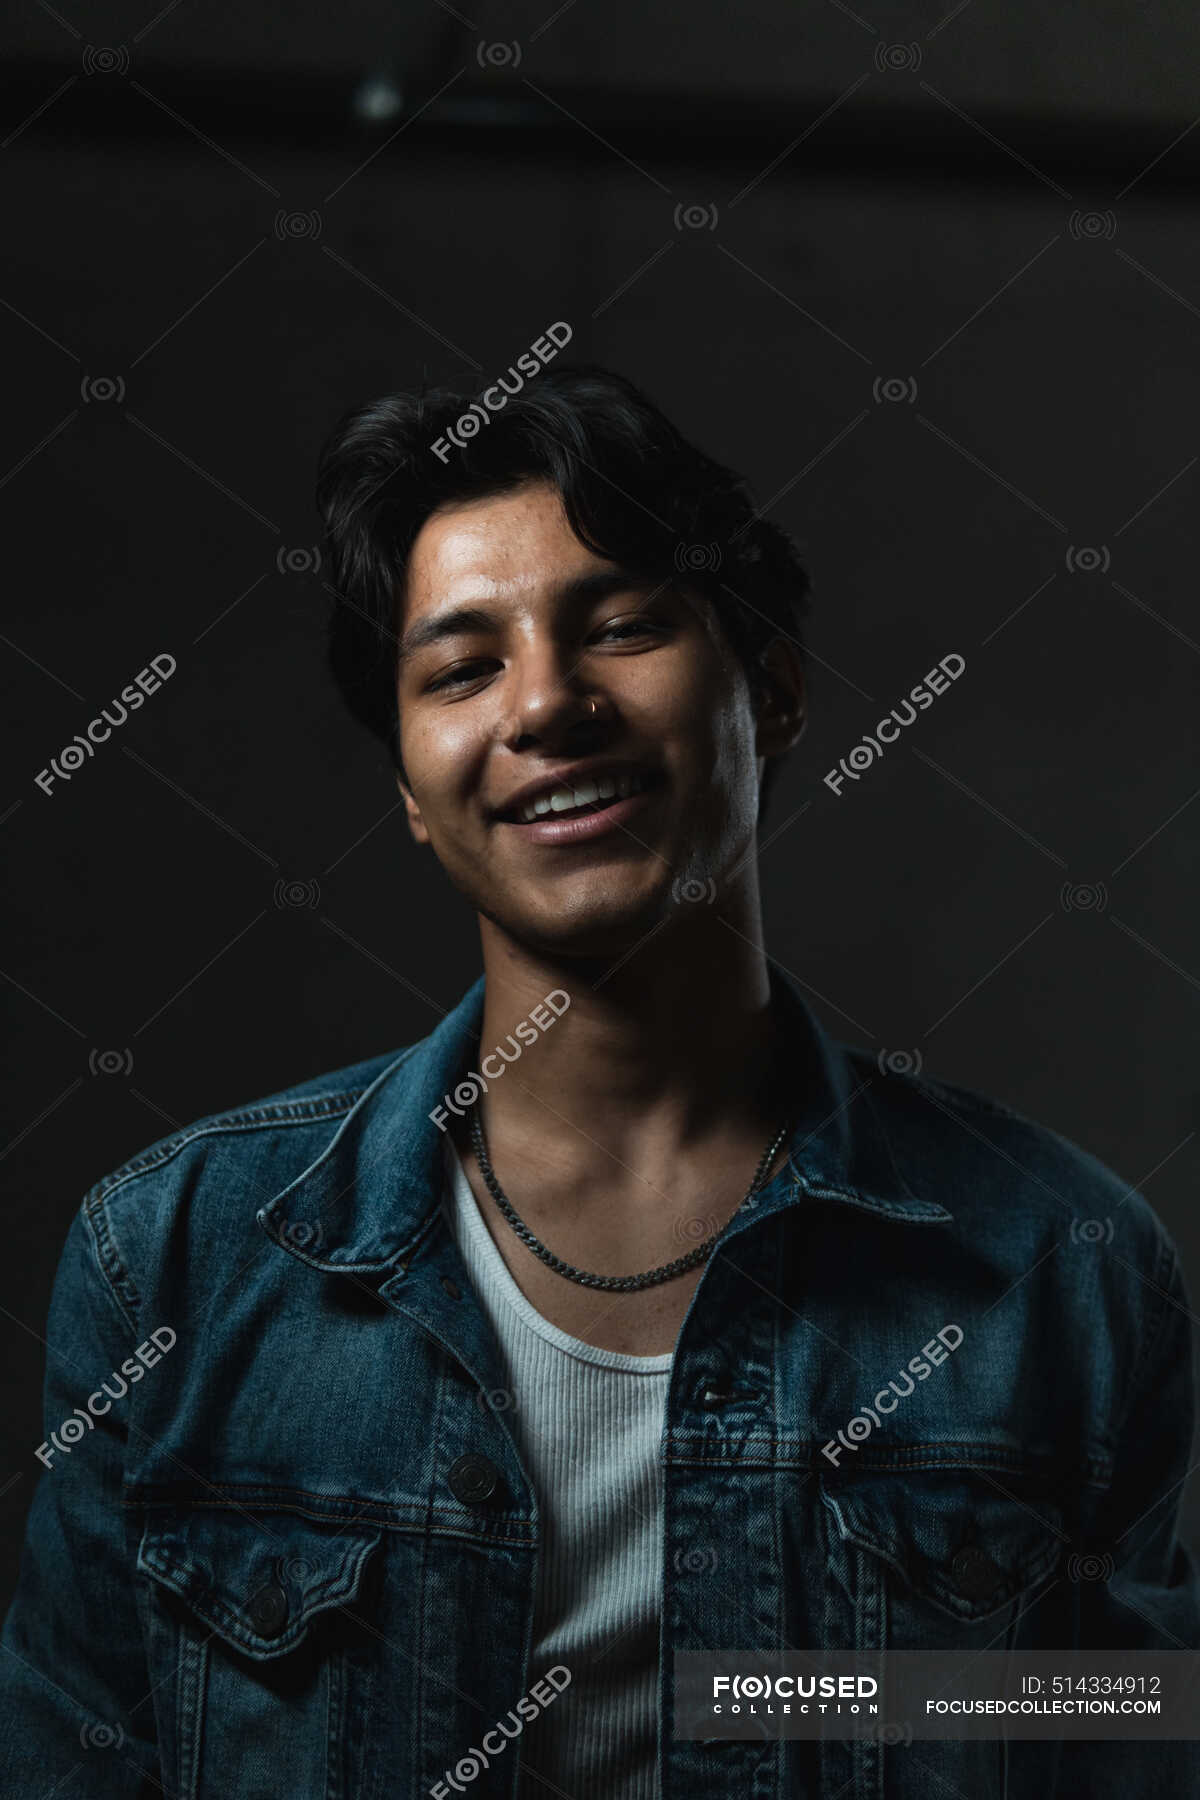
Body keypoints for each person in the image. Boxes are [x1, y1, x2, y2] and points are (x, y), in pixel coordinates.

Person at [2, 365, 1196, 1799]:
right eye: (460, 668)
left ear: (775, 690)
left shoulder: (1064, 1273)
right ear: (410, 791)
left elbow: (1117, 1749)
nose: (548, 704)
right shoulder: (174, 1264)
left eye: (622, 626)